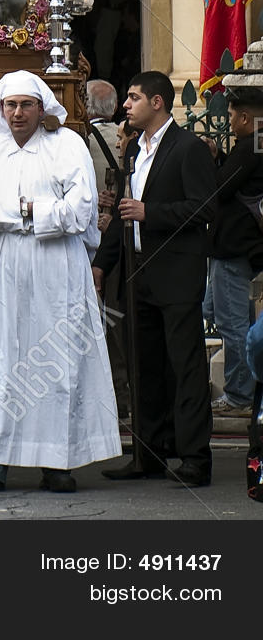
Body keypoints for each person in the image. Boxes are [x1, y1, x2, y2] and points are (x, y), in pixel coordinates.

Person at [0, 72, 120, 495]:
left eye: (26, 105)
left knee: (55, 359)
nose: (17, 113)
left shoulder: (67, 144)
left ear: (42, 107)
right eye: (11, 106)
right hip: (6, 263)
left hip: (57, 265)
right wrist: (34, 213)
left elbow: (81, 208)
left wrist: (25, 213)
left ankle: (57, 461)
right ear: (1, 108)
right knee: (0, 361)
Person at [96, 71, 217, 486]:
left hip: (176, 273)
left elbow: (204, 209)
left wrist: (152, 213)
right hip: (138, 272)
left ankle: (195, 458)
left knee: (184, 366)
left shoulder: (187, 149)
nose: (126, 105)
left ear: (158, 103)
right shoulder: (134, 152)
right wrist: (102, 264)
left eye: (133, 98)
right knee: (143, 364)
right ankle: (148, 454)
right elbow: (125, 214)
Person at [208, 93, 263, 417]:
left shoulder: (251, 146)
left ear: (244, 117)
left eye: (231, 116)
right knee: (216, 311)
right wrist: (219, 156)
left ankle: (239, 395)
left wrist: (208, 164)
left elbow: (220, 188)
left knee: (232, 324)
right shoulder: (256, 147)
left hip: (232, 247)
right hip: (241, 247)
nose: (228, 122)